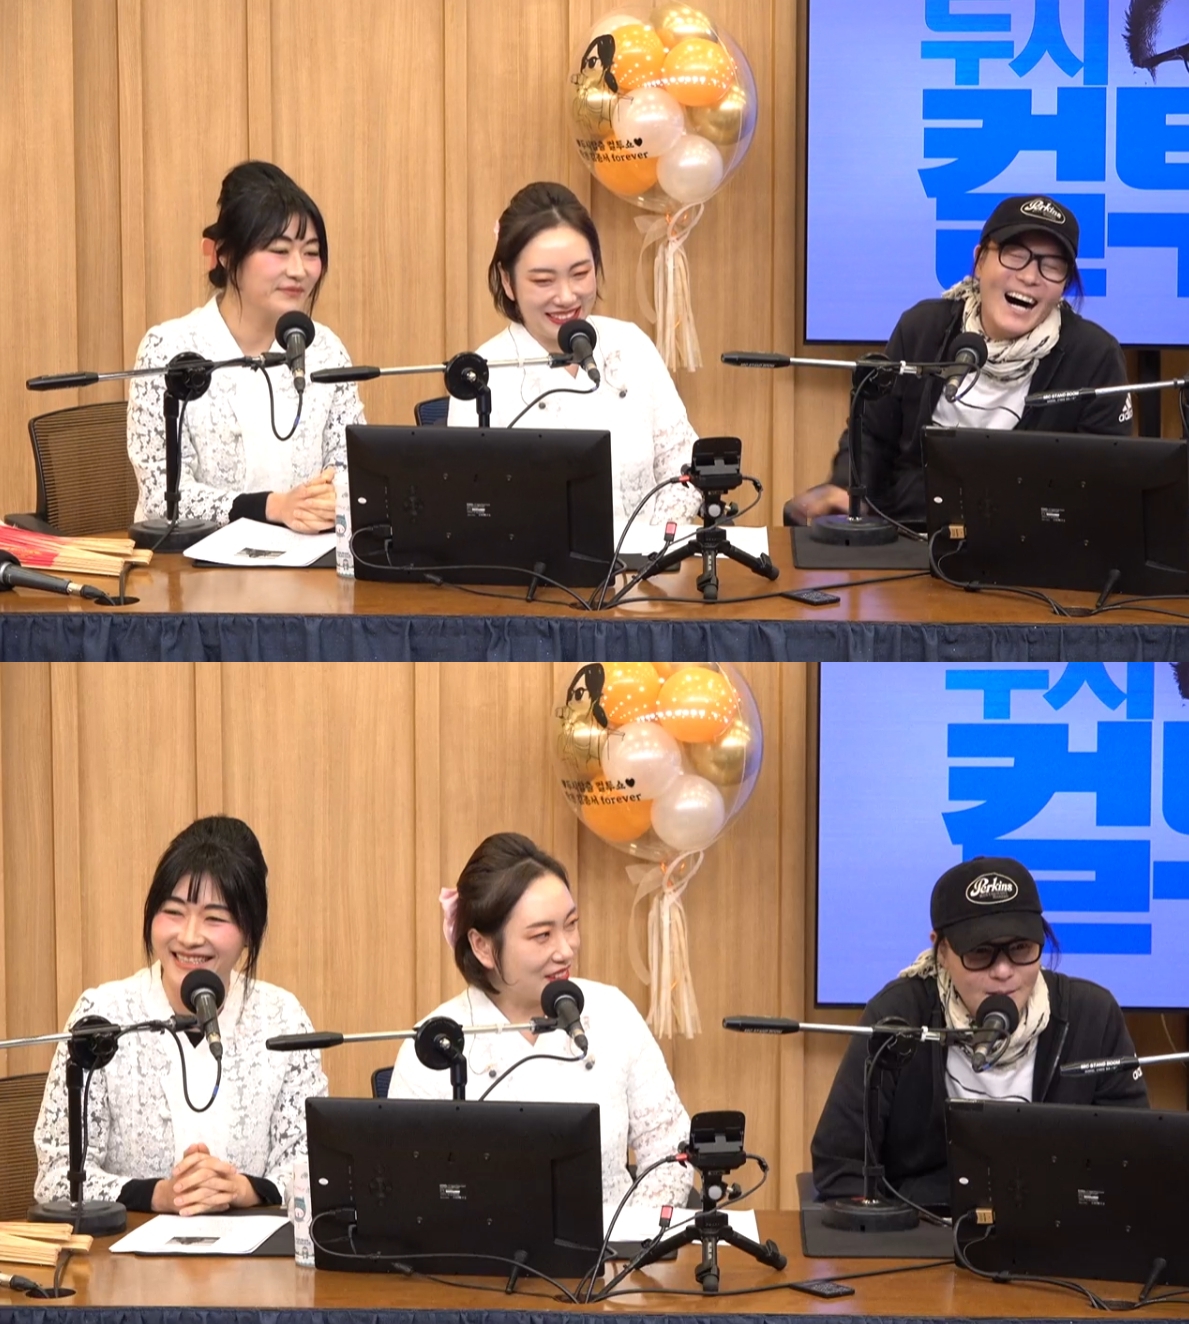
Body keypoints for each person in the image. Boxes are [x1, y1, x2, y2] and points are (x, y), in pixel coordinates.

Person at [811, 856, 1147, 1208]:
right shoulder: (897, 1017)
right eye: (980, 952)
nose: (1003, 971)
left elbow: (1134, 1156)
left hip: (1060, 1227)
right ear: (941, 951)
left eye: (1021, 948)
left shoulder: (1093, 1015)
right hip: (926, 1225)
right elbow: (840, 1165)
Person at [34, 815, 327, 1214]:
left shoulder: (284, 1020)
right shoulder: (102, 1017)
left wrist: (241, 1189)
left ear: (249, 931)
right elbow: (56, 1179)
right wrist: (162, 1194)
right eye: (173, 912)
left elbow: (312, 1168)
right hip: (126, 1250)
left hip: (254, 1250)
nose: (189, 937)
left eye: (215, 918)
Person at [786, 196, 1132, 529]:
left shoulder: (1095, 357)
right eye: (1015, 255)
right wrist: (846, 488)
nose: (1030, 277)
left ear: (1065, 284)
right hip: (909, 530)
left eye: (1052, 266)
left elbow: (1102, 481)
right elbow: (872, 434)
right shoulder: (922, 328)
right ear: (980, 261)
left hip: (1031, 546)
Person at [388, 832, 692, 1208]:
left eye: (571, 924)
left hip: (615, 1241)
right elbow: (410, 1187)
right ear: (483, 946)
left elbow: (670, 1148)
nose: (566, 949)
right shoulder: (434, 1044)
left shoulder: (611, 1011)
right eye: (542, 935)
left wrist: (631, 1233)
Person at [127, 160, 365, 532]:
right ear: (225, 254)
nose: (299, 270)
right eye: (279, 250)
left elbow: (352, 469)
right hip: (192, 560)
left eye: (311, 252)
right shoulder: (169, 350)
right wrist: (275, 507)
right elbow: (163, 496)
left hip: (307, 557)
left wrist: (329, 499)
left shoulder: (326, 350)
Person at [449, 181, 700, 523]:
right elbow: (473, 508)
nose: (567, 297)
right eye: (543, 281)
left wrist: (654, 540)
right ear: (508, 282)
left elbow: (683, 467)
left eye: (580, 274)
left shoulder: (631, 345)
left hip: (649, 553)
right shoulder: (480, 374)